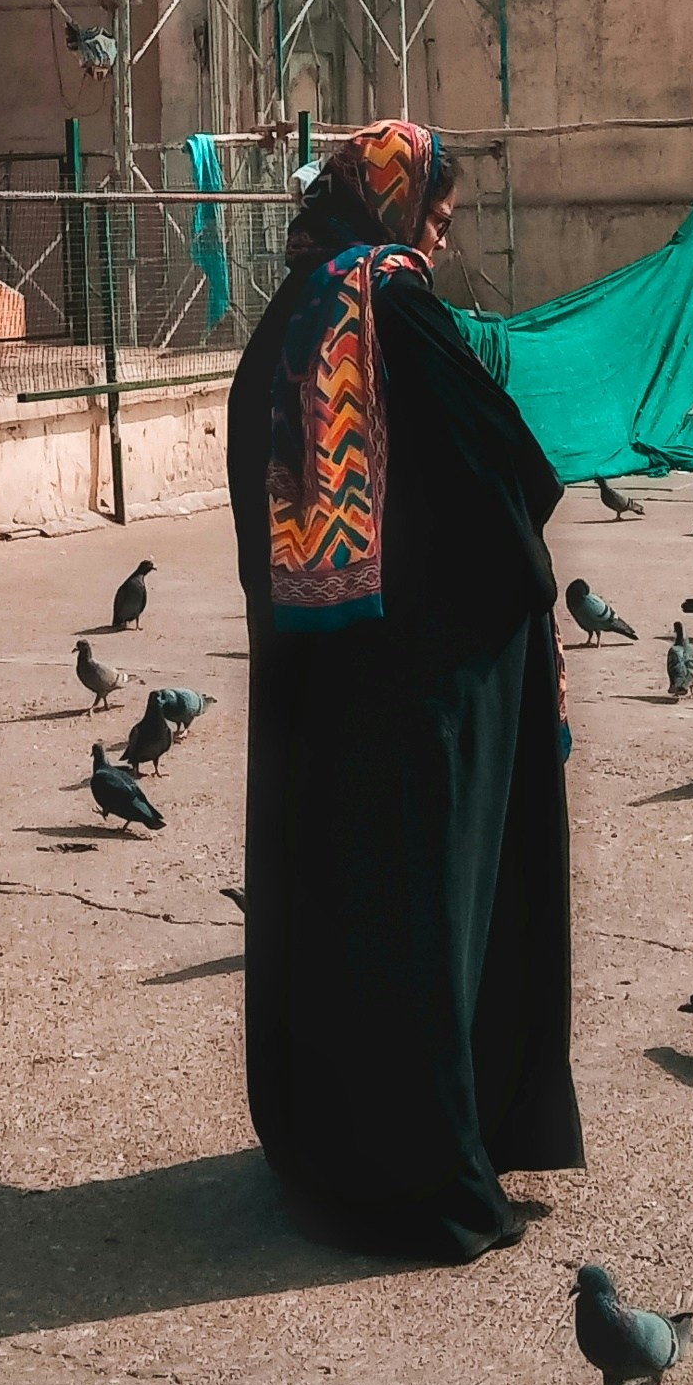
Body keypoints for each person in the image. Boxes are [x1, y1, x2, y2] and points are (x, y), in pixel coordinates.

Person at [228, 118, 581, 1260]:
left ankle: (331, 1146)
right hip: (415, 691)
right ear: (389, 203)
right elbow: (505, 468)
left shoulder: (291, 312)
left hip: (315, 686)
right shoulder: (387, 305)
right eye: (432, 204)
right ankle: (419, 1169)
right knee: (420, 916)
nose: (442, 222)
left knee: (336, 912)